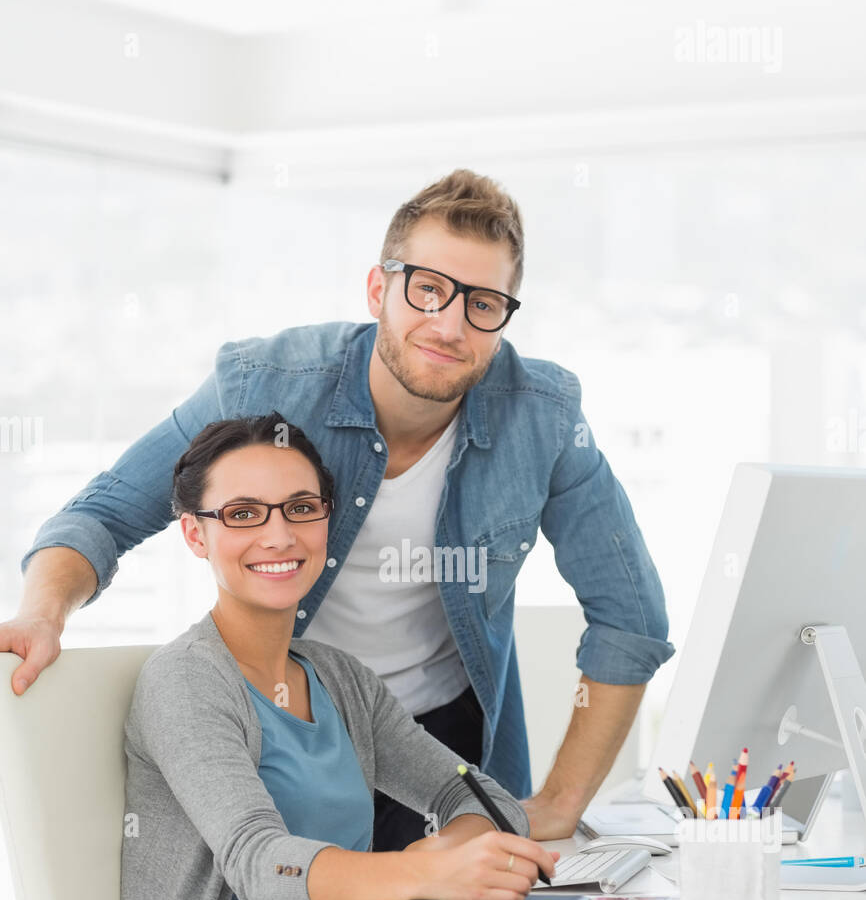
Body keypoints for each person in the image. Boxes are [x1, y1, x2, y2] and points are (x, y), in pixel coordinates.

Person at [103, 411, 714, 900]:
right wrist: (425, 870)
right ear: (194, 535)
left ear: (327, 520)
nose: (277, 533)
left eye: (301, 507)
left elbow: (469, 793)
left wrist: (469, 850)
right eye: (242, 513)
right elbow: (257, 858)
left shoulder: (336, 677)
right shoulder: (186, 681)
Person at [5, 168, 674, 852]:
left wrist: (561, 802)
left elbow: (632, 615)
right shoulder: (266, 384)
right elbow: (106, 512)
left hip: (441, 751)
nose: (448, 325)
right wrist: (42, 612)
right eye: (428, 289)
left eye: (483, 303)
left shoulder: (545, 415)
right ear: (378, 289)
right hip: (287, 734)